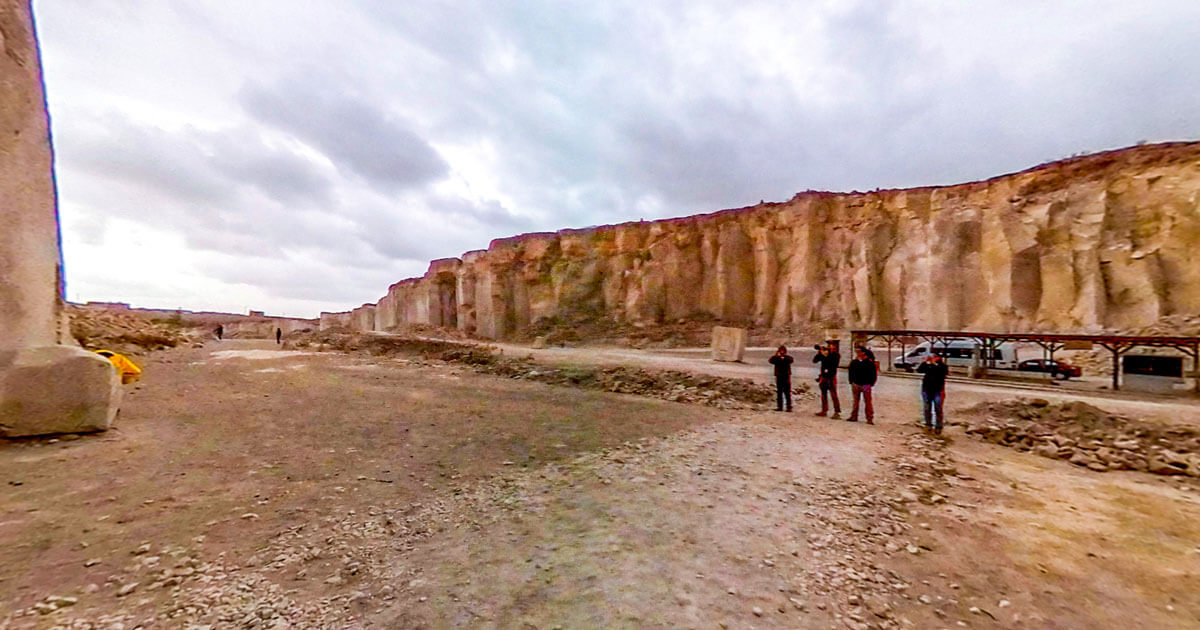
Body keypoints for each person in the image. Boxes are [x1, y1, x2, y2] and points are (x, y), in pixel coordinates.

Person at [917, 353, 949, 434]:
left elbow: (944, 372)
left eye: (934, 357)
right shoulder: (927, 365)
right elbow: (919, 370)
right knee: (927, 408)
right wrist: (925, 363)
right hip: (927, 389)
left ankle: (938, 426)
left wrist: (934, 365)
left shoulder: (942, 366)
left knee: (938, 409)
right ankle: (928, 424)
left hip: (938, 390)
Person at [847, 345, 877, 424]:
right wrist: (851, 382)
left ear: (863, 353)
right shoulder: (854, 362)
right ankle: (854, 416)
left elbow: (873, 374)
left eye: (859, 352)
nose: (857, 353)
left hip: (866, 384)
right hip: (856, 384)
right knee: (856, 401)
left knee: (867, 402)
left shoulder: (869, 363)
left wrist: (871, 383)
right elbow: (850, 373)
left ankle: (869, 418)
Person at [812, 343, 841, 418]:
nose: (829, 347)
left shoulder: (836, 355)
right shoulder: (823, 354)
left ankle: (837, 412)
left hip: (831, 377)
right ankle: (824, 410)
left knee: (833, 394)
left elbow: (833, 364)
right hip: (824, 377)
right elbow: (814, 361)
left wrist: (825, 355)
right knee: (823, 394)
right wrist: (819, 354)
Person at [768, 346, 795, 412]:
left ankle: (789, 407)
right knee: (779, 392)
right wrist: (777, 356)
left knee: (787, 392)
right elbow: (770, 360)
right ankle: (780, 407)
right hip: (779, 376)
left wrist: (781, 357)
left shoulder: (787, 358)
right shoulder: (776, 358)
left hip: (786, 376)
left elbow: (791, 360)